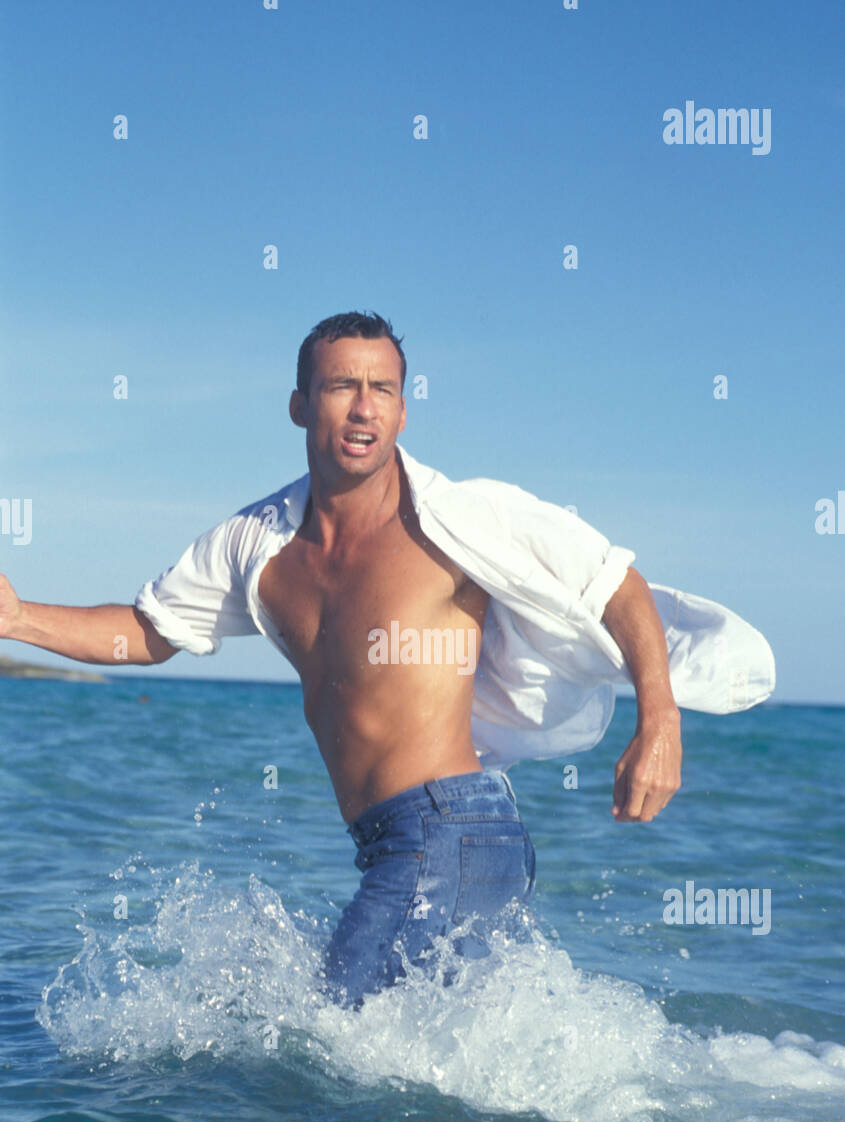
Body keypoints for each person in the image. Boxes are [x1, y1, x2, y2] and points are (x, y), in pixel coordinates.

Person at [0, 311, 775, 1007]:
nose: (363, 405)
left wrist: (659, 718)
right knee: (402, 1081)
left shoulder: (460, 517)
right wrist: (18, 618)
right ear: (301, 405)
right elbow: (147, 629)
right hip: (399, 843)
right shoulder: (257, 545)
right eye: (341, 385)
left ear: (403, 410)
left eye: (382, 388)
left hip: (452, 827)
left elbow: (615, 583)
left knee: (327, 1058)